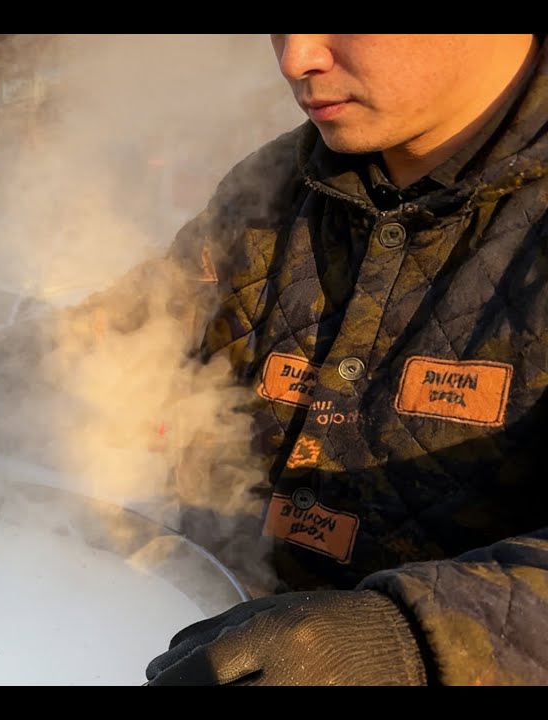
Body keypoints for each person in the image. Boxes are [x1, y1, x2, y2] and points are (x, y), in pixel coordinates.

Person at [116, 34, 548, 685]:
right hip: (197, 628)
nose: (296, 59)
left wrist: (412, 643)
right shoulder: (272, 185)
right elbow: (137, 322)